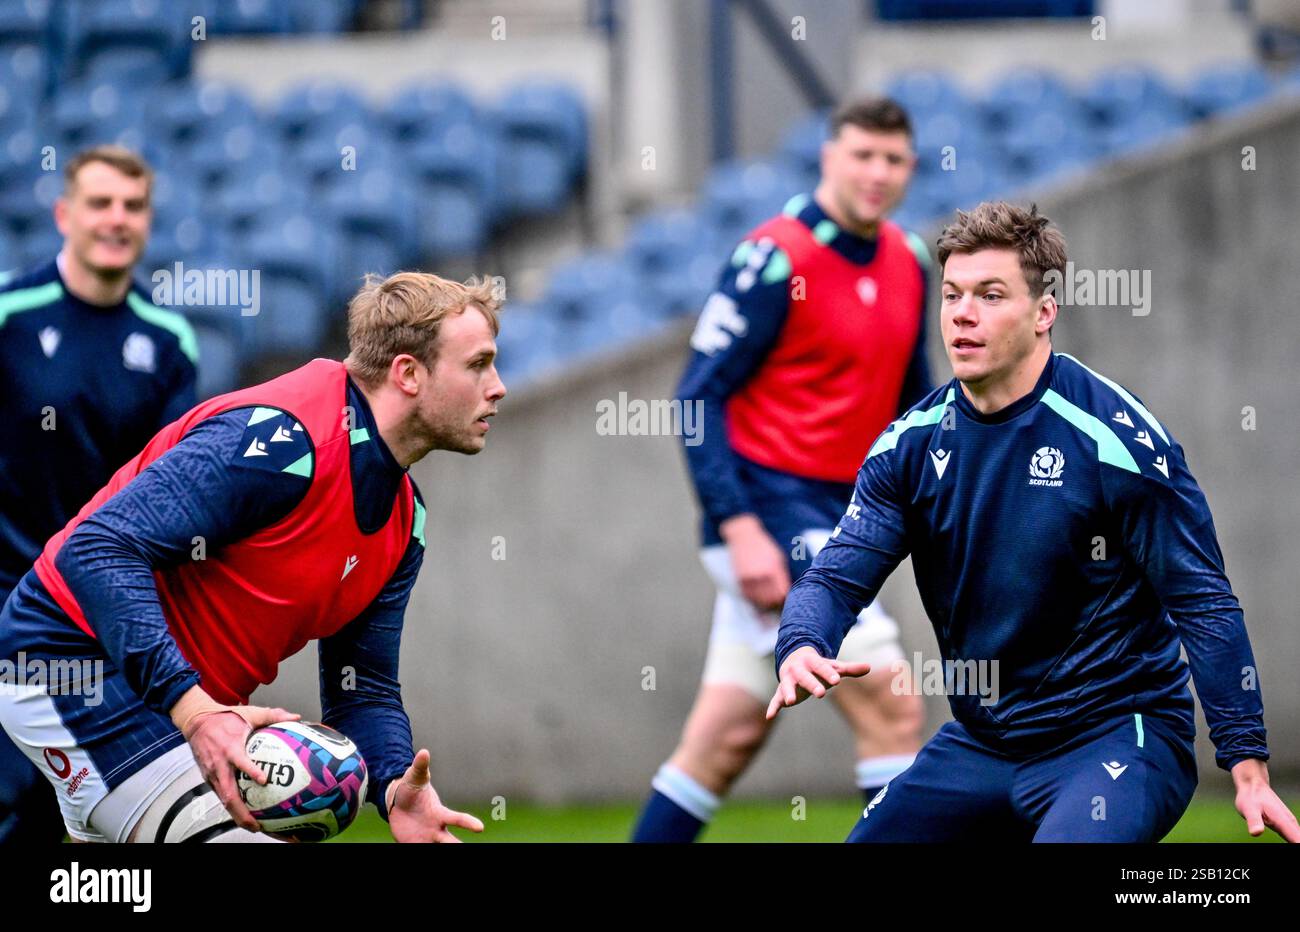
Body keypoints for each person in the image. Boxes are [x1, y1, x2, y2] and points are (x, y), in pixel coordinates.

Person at [768, 201, 1299, 843]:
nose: (963, 313)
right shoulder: (908, 447)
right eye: (953, 295)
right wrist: (801, 642)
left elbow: (1203, 602)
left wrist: (1246, 759)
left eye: (991, 295)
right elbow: (835, 577)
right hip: (984, 743)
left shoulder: (1117, 442)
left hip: (1118, 735)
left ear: (1044, 312)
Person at [0, 271, 506, 843]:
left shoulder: (404, 521)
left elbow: (362, 690)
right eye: (478, 363)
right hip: (73, 666)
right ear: (408, 373)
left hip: (173, 708)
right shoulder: (282, 442)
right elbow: (97, 548)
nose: (498, 386)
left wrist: (392, 788)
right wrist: (196, 712)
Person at [632, 98, 932, 842]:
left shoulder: (912, 260)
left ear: (910, 169)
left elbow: (913, 400)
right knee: (893, 701)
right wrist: (737, 527)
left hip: (846, 516)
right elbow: (697, 397)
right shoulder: (774, 256)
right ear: (829, 157)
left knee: (720, 744)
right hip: (770, 517)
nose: (877, 172)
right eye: (862, 154)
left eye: (893, 159)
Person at [0, 145, 198, 844]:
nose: (117, 219)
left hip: (96, 611)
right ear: (65, 214)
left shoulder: (168, 342)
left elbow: (168, 491)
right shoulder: (10, 316)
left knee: (82, 813)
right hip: (5, 596)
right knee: (12, 797)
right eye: (101, 202)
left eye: (133, 206)